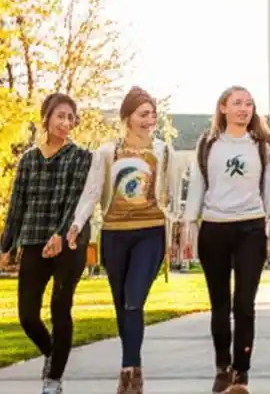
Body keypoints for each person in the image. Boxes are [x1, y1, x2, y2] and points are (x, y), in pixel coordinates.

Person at [76, 86, 176, 394]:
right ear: (128, 118)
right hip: (114, 235)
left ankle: (130, 373)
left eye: (153, 114)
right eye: (143, 114)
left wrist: (173, 224)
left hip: (150, 232)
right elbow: (92, 192)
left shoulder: (163, 151)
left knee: (134, 299)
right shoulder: (107, 152)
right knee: (122, 306)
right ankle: (131, 366)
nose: (150, 120)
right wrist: (76, 223)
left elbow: (170, 195)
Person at [184, 86, 270, 394]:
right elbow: (198, 187)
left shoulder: (265, 146)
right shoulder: (208, 144)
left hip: (250, 230)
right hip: (214, 229)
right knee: (219, 304)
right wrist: (189, 224)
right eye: (237, 103)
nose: (244, 108)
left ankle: (241, 373)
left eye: (249, 104)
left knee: (244, 305)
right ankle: (222, 367)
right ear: (223, 107)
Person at [0, 93, 93, 394]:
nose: (66, 123)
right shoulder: (28, 159)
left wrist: (61, 235)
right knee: (27, 315)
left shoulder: (81, 157)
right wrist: (6, 246)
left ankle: (53, 379)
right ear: (47, 118)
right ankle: (53, 352)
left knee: (60, 307)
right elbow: (17, 204)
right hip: (33, 240)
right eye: (60, 116)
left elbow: (76, 201)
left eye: (70, 117)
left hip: (69, 242)